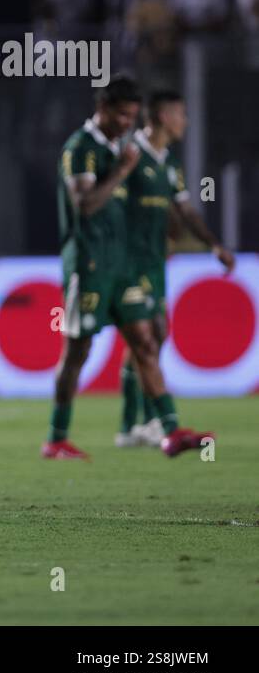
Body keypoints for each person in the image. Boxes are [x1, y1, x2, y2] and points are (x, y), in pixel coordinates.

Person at [48, 77, 214, 460]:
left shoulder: (125, 148)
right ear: (102, 108)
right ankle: (56, 438)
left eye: (132, 116)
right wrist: (122, 171)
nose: (128, 123)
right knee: (77, 352)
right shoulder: (81, 149)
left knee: (145, 339)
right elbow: (86, 205)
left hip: (122, 266)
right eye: (122, 115)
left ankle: (171, 431)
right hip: (87, 266)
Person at [115, 90, 232, 450]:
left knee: (152, 339)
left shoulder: (168, 161)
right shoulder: (129, 154)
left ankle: (134, 426)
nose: (187, 121)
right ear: (163, 117)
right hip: (128, 261)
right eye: (181, 113)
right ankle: (146, 423)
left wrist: (213, 244)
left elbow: (184, 209)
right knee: (148, 336)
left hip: (154, 261)